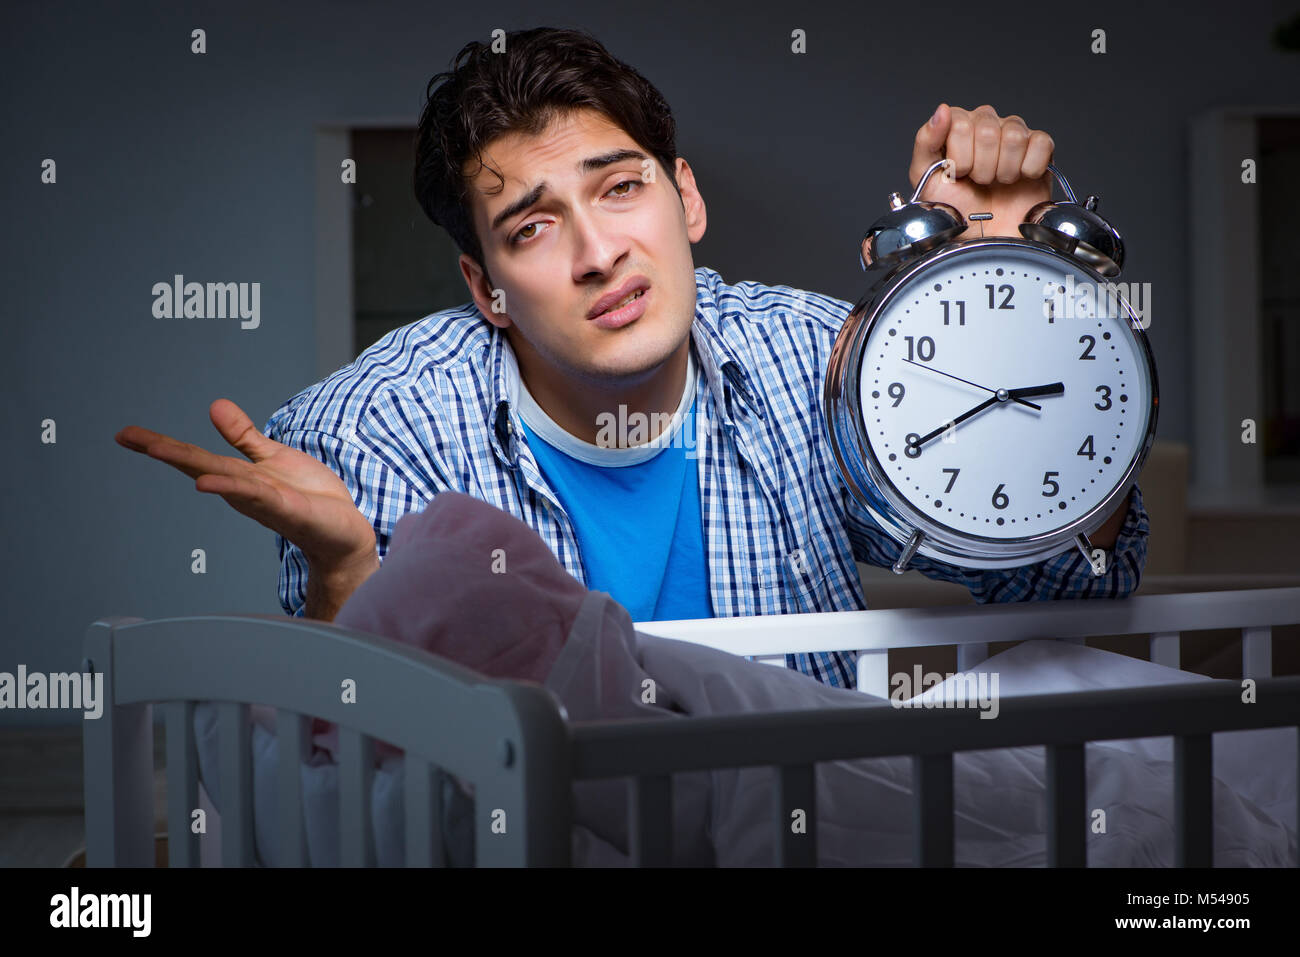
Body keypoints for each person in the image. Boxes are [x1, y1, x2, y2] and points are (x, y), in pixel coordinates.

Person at [115, 26, 1149, 690]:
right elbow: (358, 766)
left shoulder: (810, 355)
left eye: (621, 189)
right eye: (530, 227)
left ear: (685, 199)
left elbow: (1074, 590)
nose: (600, 251)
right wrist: (346, 572)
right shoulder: (377, 430)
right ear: (486, 290)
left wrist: (1026, 296)